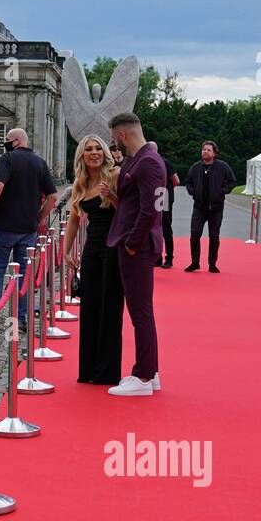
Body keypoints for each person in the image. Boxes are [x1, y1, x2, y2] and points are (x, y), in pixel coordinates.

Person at [105, 112, 166, 397]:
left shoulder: (148, 161)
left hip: (137, 247)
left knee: (140, 312)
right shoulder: (142, 160)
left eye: (114, 138)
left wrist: (131, 242)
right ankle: (149, 371)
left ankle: (142, 376)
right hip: (136, 243)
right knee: (142, 311)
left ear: (122, 135)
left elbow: (153, 208)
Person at [62, 136, 123, 385]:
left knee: (110, 309)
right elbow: (75, 219)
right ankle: (88, 370)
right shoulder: (80, 182)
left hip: (115, 247)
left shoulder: (116, 174)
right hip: (92, 249)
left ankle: (107, 372)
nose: (94, 153)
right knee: (90, 308)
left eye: (98, 148)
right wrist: (66, 252)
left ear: (105, 152)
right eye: (89, 149)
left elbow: (129, 211)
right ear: (81, 155)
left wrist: (113, 196)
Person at [0, 128, 58, 326]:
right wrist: (38, 219)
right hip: (28, 228)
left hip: (3, 225)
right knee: (24, 273)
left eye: (7, 140)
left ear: (16, 141)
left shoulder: (7, 158)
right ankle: (22, 317)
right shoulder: (40, 162)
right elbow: (53, 197)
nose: (5, 143)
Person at [183, 140, 236, 273]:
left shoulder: (222, 166)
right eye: (203, 149)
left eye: (208, 150)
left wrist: (222, 191)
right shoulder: (195, 167)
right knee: (195, 234)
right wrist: (192, 192)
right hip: (199, 207)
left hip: (216, 208)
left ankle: (212, 263)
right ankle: (195, 262)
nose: (205, 152)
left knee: (214, 236)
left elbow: (232, 182)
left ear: (214, 153)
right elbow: (188, 182)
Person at [151, 142, 179, 268]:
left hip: (163, 195)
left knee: (165, 227)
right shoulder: (146, 163)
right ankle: (157, 257)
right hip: (152, 197)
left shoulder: (165, 162)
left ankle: (169, 257)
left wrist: (166, 188)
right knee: (153, 228)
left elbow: (176, 181)